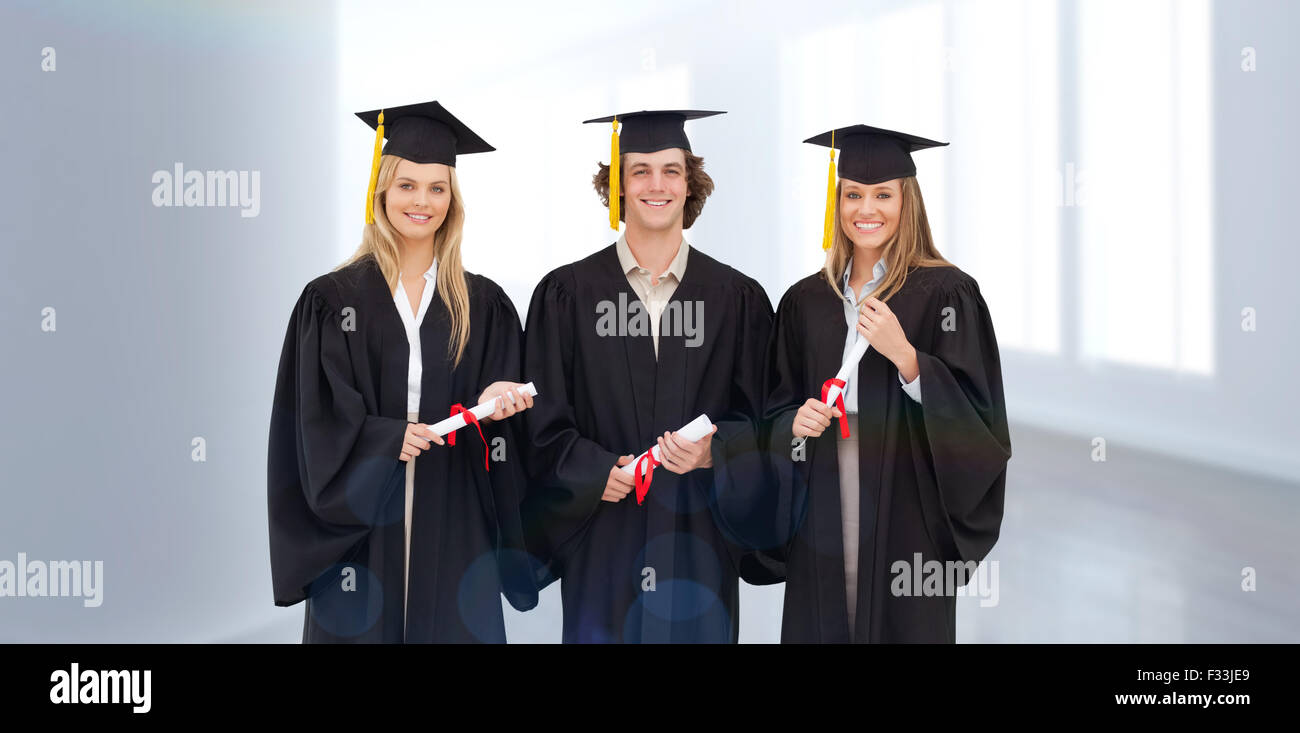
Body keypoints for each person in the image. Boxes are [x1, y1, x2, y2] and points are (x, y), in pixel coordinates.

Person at [267, 100, 537, 643]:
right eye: (408, 185)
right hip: (364, 526)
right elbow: (312, 422)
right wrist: (387, 438)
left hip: (457, 514)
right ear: (382, 190)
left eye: (438, 188)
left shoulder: (483, 304)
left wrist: (499, 398)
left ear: (453, 200)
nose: (422, 201)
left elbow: (511, 426)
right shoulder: (331, 301)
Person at [520, 110, 774, 643]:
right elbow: (542, 423)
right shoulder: (567, 296)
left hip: (700, 538)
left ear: (690, 186)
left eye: (671, 171)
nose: (656, 185)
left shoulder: (737, 299)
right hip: (605, 539)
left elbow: (762, 422)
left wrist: (716, 451)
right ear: (617, 186)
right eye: (639, 171)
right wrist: (592, 473)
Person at [759, 124, 1011, 642]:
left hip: (906, 504)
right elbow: (772, 409)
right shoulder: (805, 302)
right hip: (823, 501)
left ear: (907, 200)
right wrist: (792, 423)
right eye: (852, 194)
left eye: (882, 194)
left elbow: (981, 427)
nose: (865, 208)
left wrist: (907, 358)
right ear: (838, 202)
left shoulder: (948, 293)